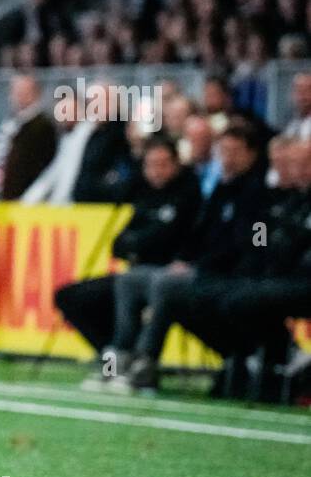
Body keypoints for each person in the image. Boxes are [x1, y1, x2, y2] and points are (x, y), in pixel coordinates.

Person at [110, 123, 268, 392]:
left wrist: (202, 265)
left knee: (164, 283)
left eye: (235, 152)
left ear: (251, 154)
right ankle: (115, 363)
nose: (227, 158)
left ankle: (145, 362)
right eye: (224, 151)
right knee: (128, 280)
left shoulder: (258, 194)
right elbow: (197, 234)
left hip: (225, 273)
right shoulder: (220, 189)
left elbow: (254, 243)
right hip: (197, 267)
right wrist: (184, 258)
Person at [54, 136, 201, 384]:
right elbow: (119, 243)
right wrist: (139, 243)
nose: (156, 171)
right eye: (151, 164)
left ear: (177, 164)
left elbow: (168, 237)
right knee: (71, 296)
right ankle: (114, 356)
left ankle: (140, 361)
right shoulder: (141, 191)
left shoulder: (189, 192)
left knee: (146, 284)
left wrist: (139, 244)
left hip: (169, 275)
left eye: (163, 164)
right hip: (137, 273)